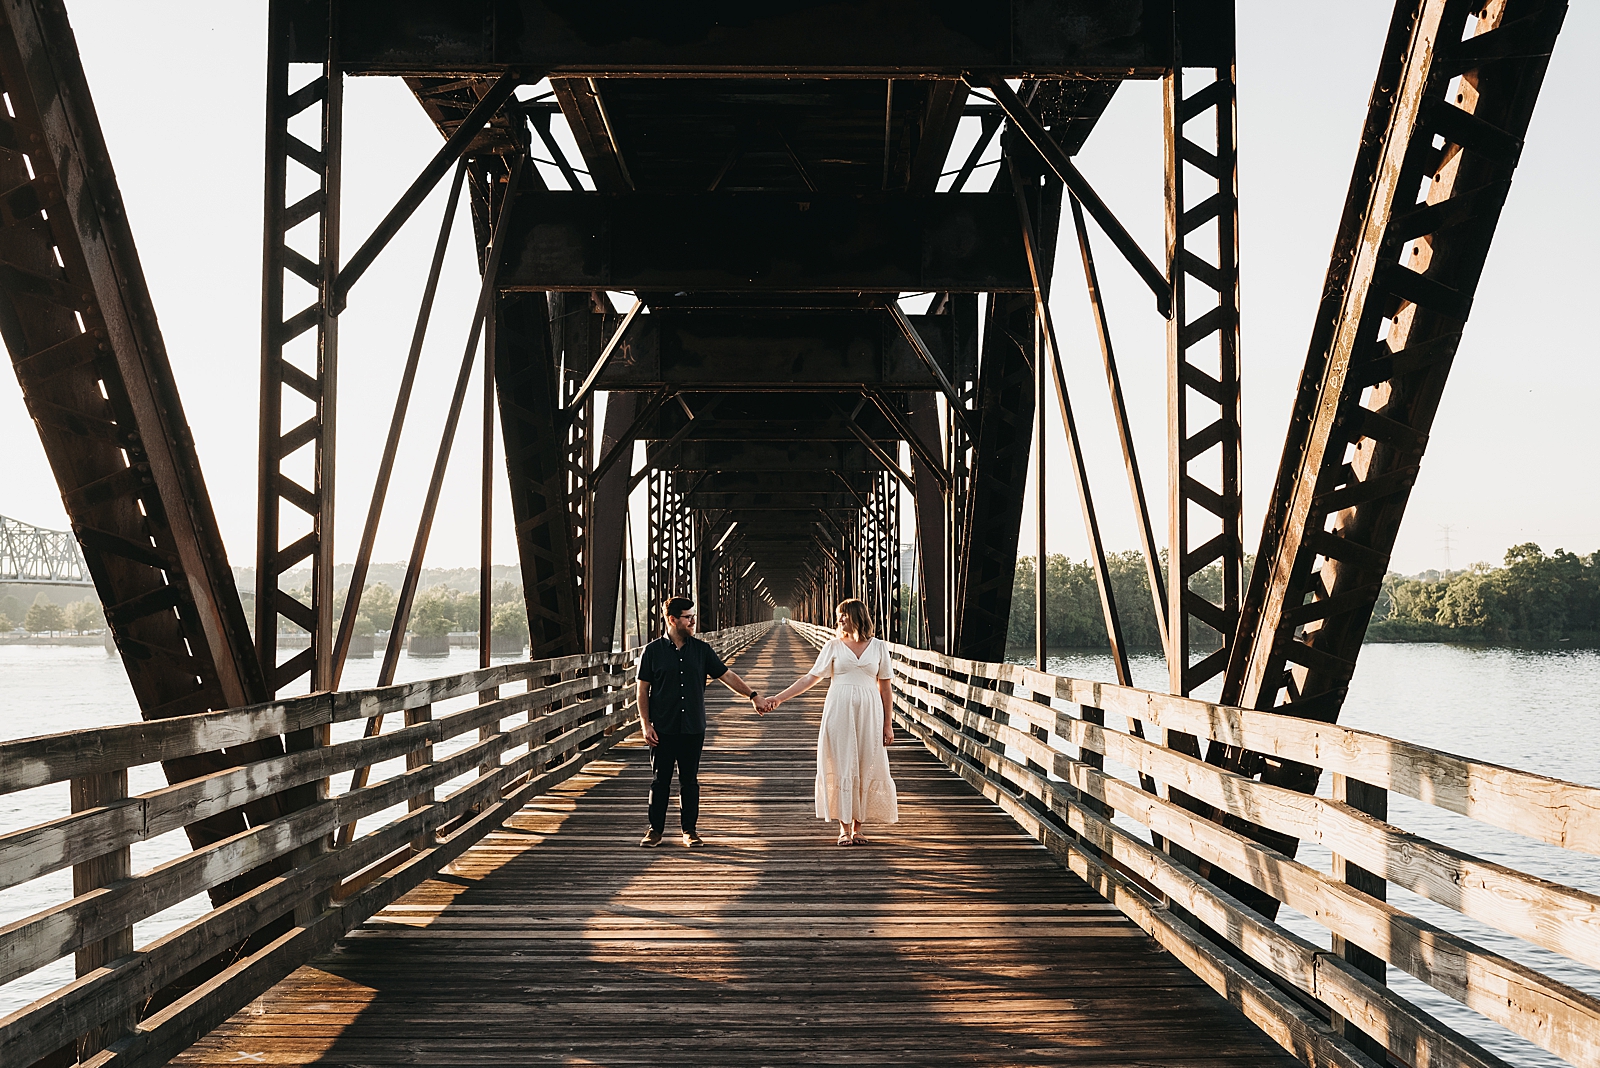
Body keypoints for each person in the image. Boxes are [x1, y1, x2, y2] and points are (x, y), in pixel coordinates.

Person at [758, 598, 897, 845]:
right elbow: (809, 679)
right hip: (839, 711)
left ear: (856, 615)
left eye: (843, 614)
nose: (839, 619)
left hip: (870, 712)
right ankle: (844, 828)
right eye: (838, 615)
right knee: (843, 762)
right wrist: (778, 698)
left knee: (867, 762)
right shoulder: (833, 646)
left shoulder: (878, 647)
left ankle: (859, 827)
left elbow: (885, 687)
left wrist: (888, 723)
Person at [636, 595, 764, 848]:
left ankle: (689, 831)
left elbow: (727, 675)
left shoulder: (702, 650)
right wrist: (645, 723)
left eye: (693, 616)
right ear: (672, 619)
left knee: (689, 780)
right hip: (662, 726)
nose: (694, 621)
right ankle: (655, 830)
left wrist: (753, 695)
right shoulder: (652, 652)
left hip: (693, 726)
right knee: (660, 780)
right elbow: (642, 690)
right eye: (688, 617)